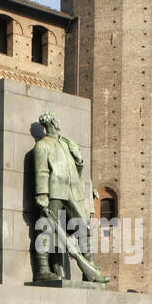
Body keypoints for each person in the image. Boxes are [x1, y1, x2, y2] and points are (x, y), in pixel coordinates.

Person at [32, 112, 109, 283]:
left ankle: (89, 271)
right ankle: (43, 269)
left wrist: (79, 160)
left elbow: (76, 173)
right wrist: (42, 193)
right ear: (52, 121)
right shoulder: (42, 146)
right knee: (47, 228)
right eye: (57, 119)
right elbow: (42, 171)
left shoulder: (66, 144)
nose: (60, 122)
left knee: (84, 229)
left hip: (72, 191)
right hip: (54, 191)